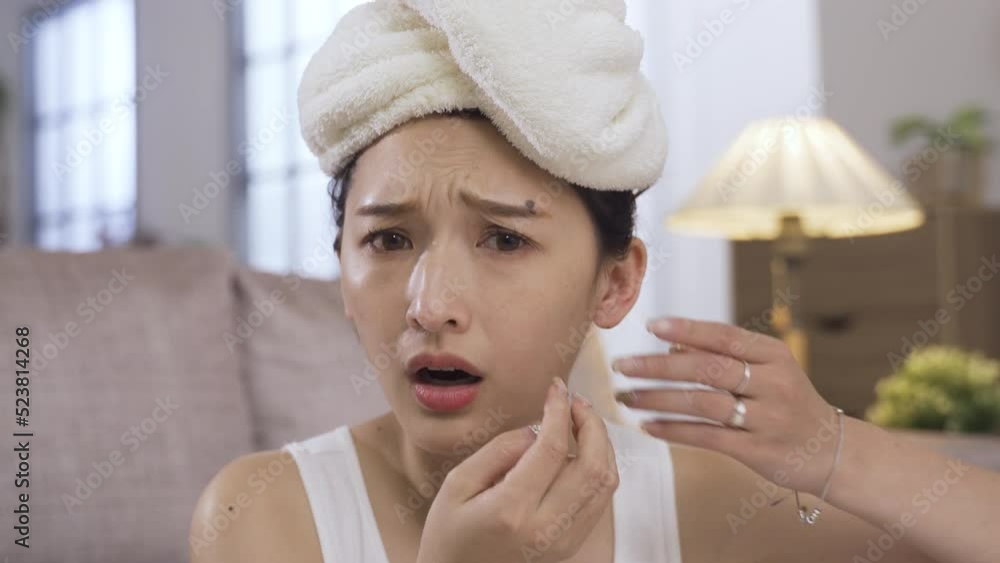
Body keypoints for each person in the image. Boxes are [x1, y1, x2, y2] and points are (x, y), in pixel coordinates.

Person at [190, 1, 1000, 562]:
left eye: (505, 238)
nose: (430, 305)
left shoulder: (699, 501)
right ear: (341, 266)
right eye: (388, 238)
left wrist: (837, 450)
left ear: (615, 283)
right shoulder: (263, 509)